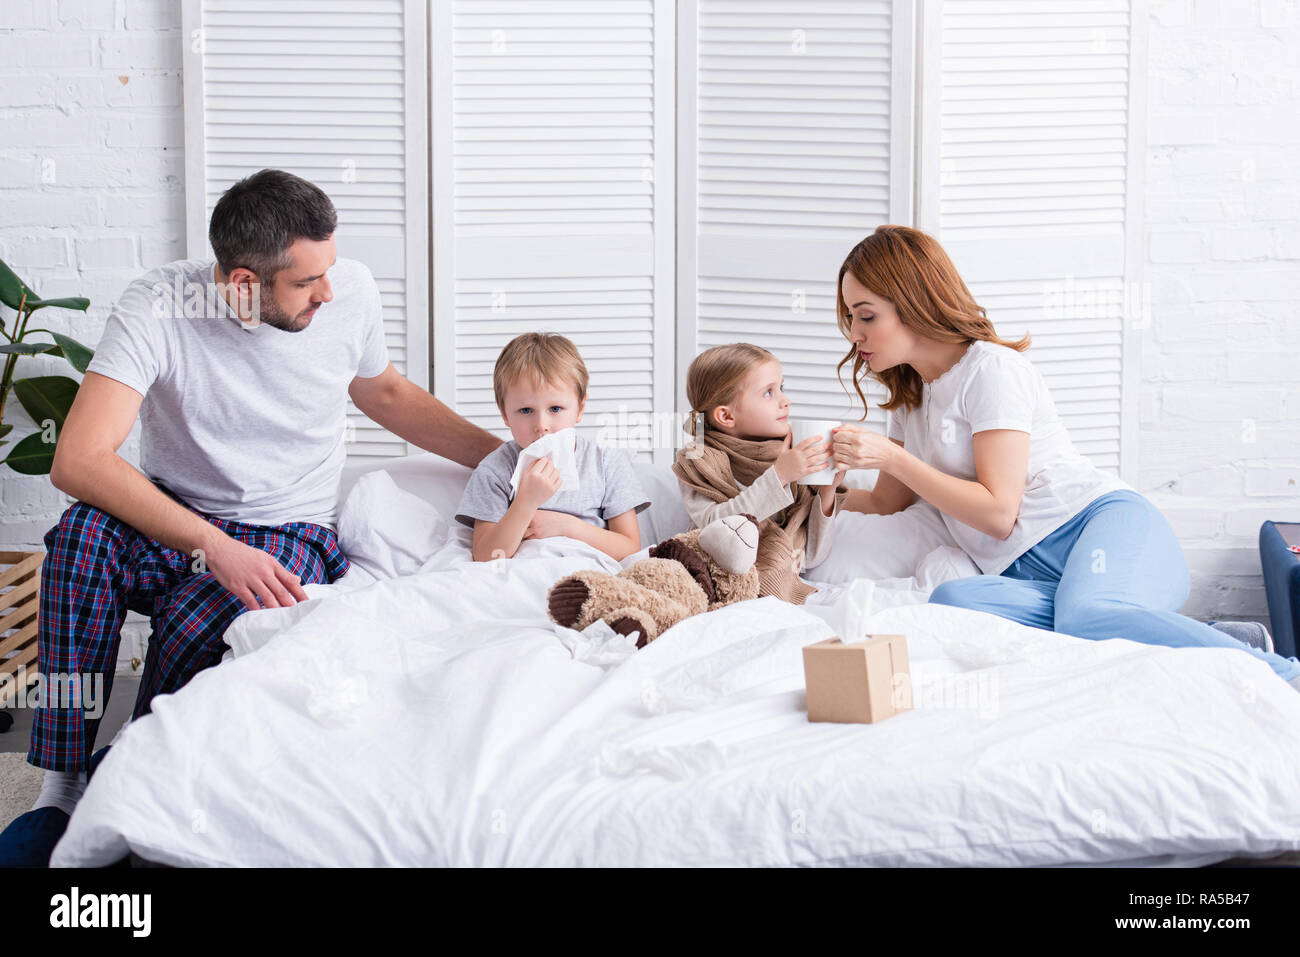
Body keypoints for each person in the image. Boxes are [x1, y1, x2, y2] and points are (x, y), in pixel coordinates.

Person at [0, 168, 503, 866]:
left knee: (196, 618)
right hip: (178, 515)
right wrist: (211, 542)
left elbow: (384, 391)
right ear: (241, 283)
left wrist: (500, 458)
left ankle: (139, 785)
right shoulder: (159, 304)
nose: (330, 292)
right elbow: (77, 460)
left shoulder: (346, 288)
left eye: (328, 271)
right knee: (81, 541)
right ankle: (59, 784)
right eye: (305, 283)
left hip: (289, 529)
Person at [827, 224, 1300, 690]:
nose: (854, 334)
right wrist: (815, 488)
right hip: (1031, 577)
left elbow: (997, 514)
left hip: (1099, 528)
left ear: (913, 303)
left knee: (1088, 615)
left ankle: (1285, 676)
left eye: (866, 316)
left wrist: (892, 457)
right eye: (850, 317)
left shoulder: (991, 371)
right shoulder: (914, 398)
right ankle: (1211, 638)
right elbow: (887, 504)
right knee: (954, 599)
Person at [673, 343, 848, 604]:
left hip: (771, 592)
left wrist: (826, 492)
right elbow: (713, 528)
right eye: (768, 392)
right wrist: (778, 476)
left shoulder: (791, 456)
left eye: (781, 388)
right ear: (726, 416)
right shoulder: (699, 461)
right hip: (714, 581)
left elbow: (810, 557)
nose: (784, 400)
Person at [454, 332, 650, 562]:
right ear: (504, 413)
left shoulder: (606, 463)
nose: (541, 426)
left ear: (580, 408)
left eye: (555, 409)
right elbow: (486, 555)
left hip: (587, 576)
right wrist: (525, 502)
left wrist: (565, 526)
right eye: (526, 411)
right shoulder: (496, 469)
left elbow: (630, 548)